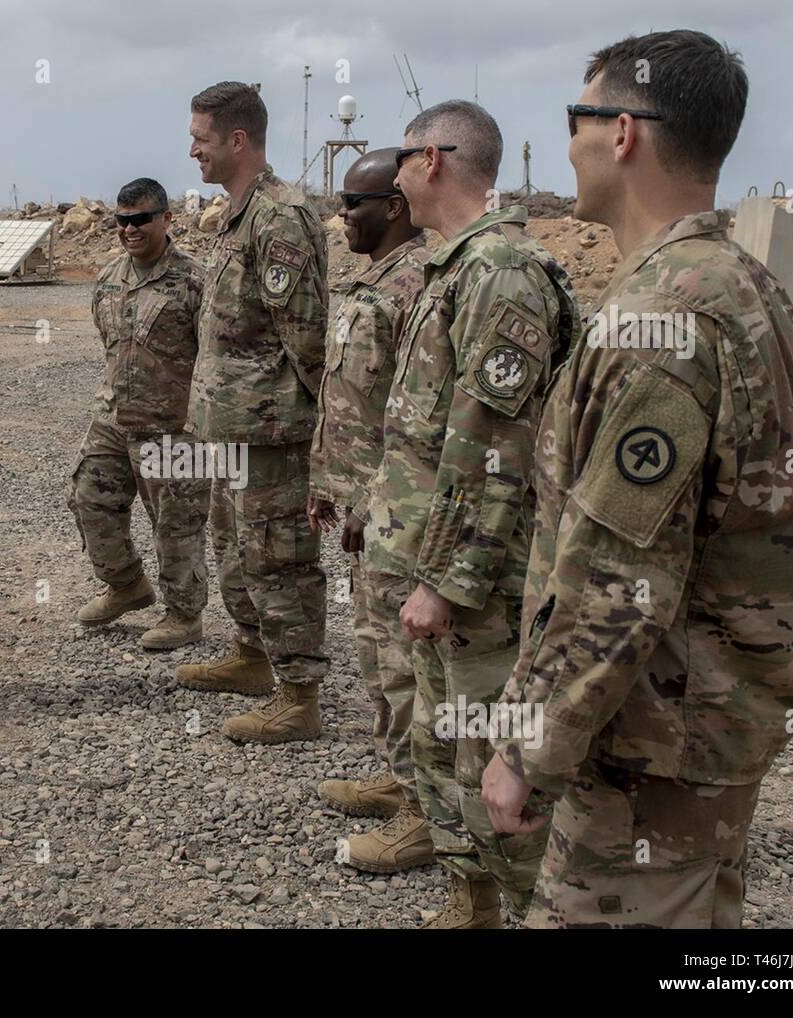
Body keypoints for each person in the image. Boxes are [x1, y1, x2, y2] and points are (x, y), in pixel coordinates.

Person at [483, 29, 793, 929]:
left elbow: (621, 579)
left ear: (623, 133)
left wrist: (531, 748)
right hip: (707, 732)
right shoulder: (747, 288)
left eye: (577, 117)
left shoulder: (661, 322)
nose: (568, 142)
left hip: (652, 749)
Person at [353, 102, 577, 929]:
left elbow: (494, 452)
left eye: (404, 156)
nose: (397, 171)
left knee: (495, 762)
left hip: (478, 584)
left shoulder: (502, 275)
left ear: (435, 161)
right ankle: (471, 899)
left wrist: (448, 583)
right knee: (442, 745)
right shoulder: (456, 268)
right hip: (433, 565)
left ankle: (531, 907)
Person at [174, 81, 331, 745]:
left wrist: (328, 438)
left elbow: (310, 340)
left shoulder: (279, 218)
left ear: (237, 141)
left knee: (280, 560)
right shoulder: (239, 215)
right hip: (233, 431)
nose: (191, 152)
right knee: (235, 551)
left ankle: (299, 697)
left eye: (201, 140)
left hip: (272, 434)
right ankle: (252, 657)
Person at [307, 149, 427, 817]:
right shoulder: (370, 279)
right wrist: (328, 484)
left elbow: (414, 413)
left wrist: (375, 497)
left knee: (404, 662)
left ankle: (420, 808)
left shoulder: (417, 286)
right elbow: (348, 396)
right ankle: (395, 775)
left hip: (396, 508)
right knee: (376, 652)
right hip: (363, 503)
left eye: (354, 203)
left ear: (395, 206)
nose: (342, 215)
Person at [67, 177, 209, 651]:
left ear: (167, 219)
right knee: (90, 500)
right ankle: (126, 585)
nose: (129, 229)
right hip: (112, 420)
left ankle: (184, 615)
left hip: (173, 427)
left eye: (140, 219)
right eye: (121, 220)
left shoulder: (194, 281)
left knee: (175, 522)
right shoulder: (108, 278)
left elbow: (214, 355)